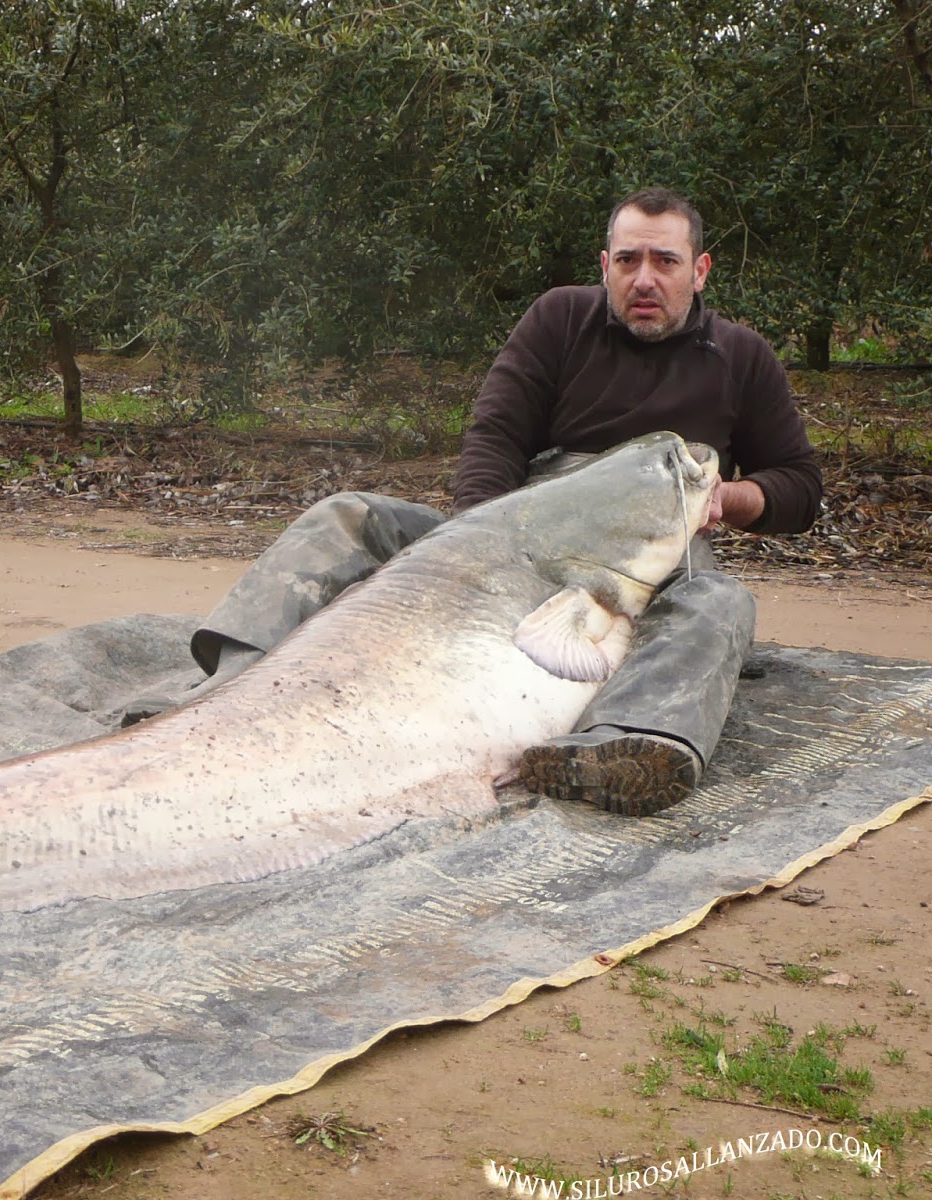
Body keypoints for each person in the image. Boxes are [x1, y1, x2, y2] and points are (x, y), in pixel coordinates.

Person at [123, 186, 822, 818]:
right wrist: (470, 553)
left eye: (665, 262)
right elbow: (494, 436)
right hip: (511, 533)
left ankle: (625, 746)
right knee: (345, 515)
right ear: (603, 264)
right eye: (629, 260)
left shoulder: (743, 358)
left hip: (644, 572)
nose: (645, 279)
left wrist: (731, 497)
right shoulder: (558, 319)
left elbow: (798, 485)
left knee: (723, 603)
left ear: (699, 272)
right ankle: (222, 691)